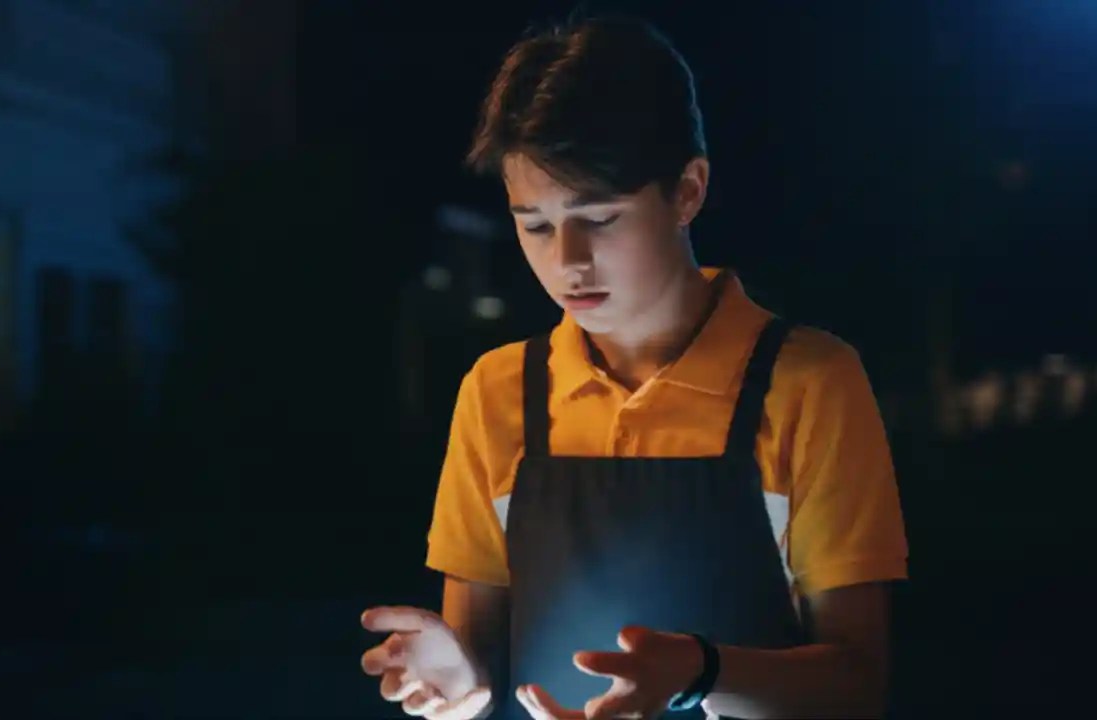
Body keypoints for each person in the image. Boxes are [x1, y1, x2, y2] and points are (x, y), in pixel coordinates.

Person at [361, 14, 909, 720]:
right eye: (535, 226)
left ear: (688, 190)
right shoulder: (496, 393)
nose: (568, 261)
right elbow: (481, 663)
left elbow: (856, 685)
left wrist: (700, 670)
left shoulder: (809, 384)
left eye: (602, 218)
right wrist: (454, 678)